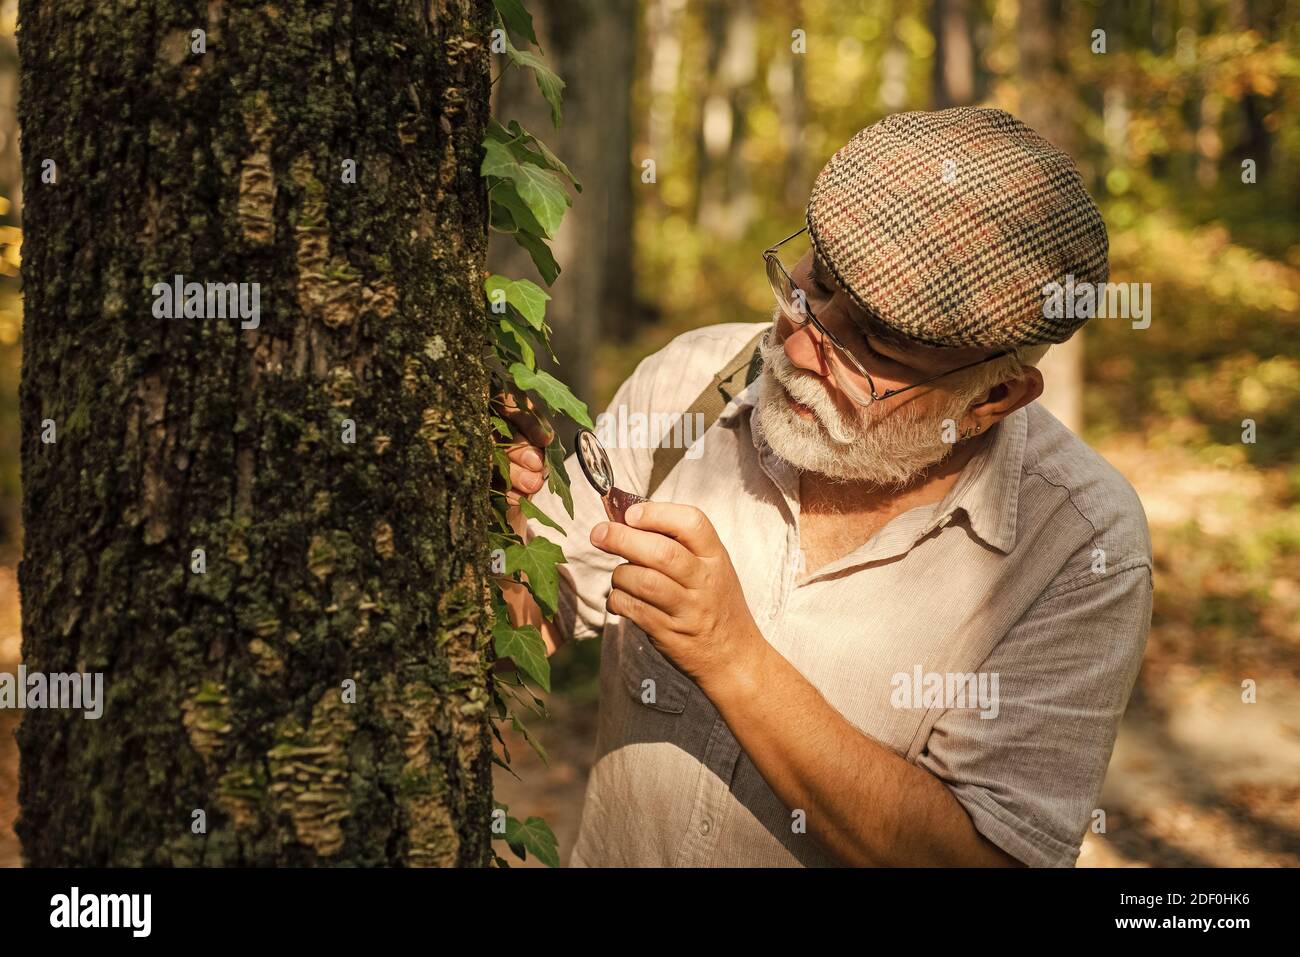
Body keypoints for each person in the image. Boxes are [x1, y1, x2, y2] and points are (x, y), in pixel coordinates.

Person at [499, 107, 1152, 867]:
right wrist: (505, 518)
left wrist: (735, 659)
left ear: (993, 398)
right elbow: (523, 628)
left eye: (873, 344)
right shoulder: (695, 383)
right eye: (817, 286)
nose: (802, 345)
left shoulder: (1078, 544)